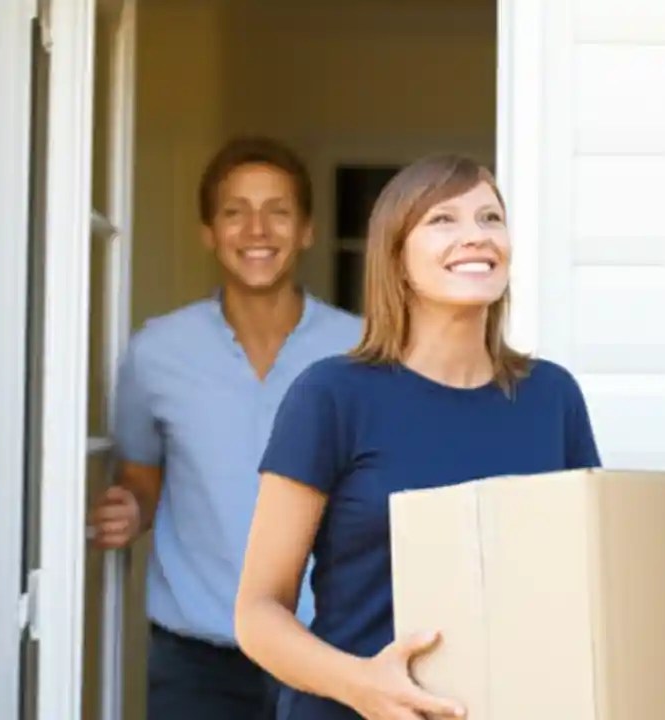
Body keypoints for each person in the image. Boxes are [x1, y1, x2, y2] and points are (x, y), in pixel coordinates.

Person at [234, 154, 602, 720]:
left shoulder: (551, 398)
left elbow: (581, 584)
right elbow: (258, 613)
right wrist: (362, 686)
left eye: (489, 218)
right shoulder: (332, 395)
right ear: (397, 259)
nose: (475, 237)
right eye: (443, 221)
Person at [87, 136, 361, 719]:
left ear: (307, 229)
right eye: (235, 212)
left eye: (278, 211)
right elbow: (142, 476)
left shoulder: (361, 352)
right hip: (197, 663)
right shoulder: (156, 352)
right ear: (209, 232)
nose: (257, 230)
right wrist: (132, 508)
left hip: (332, 651)